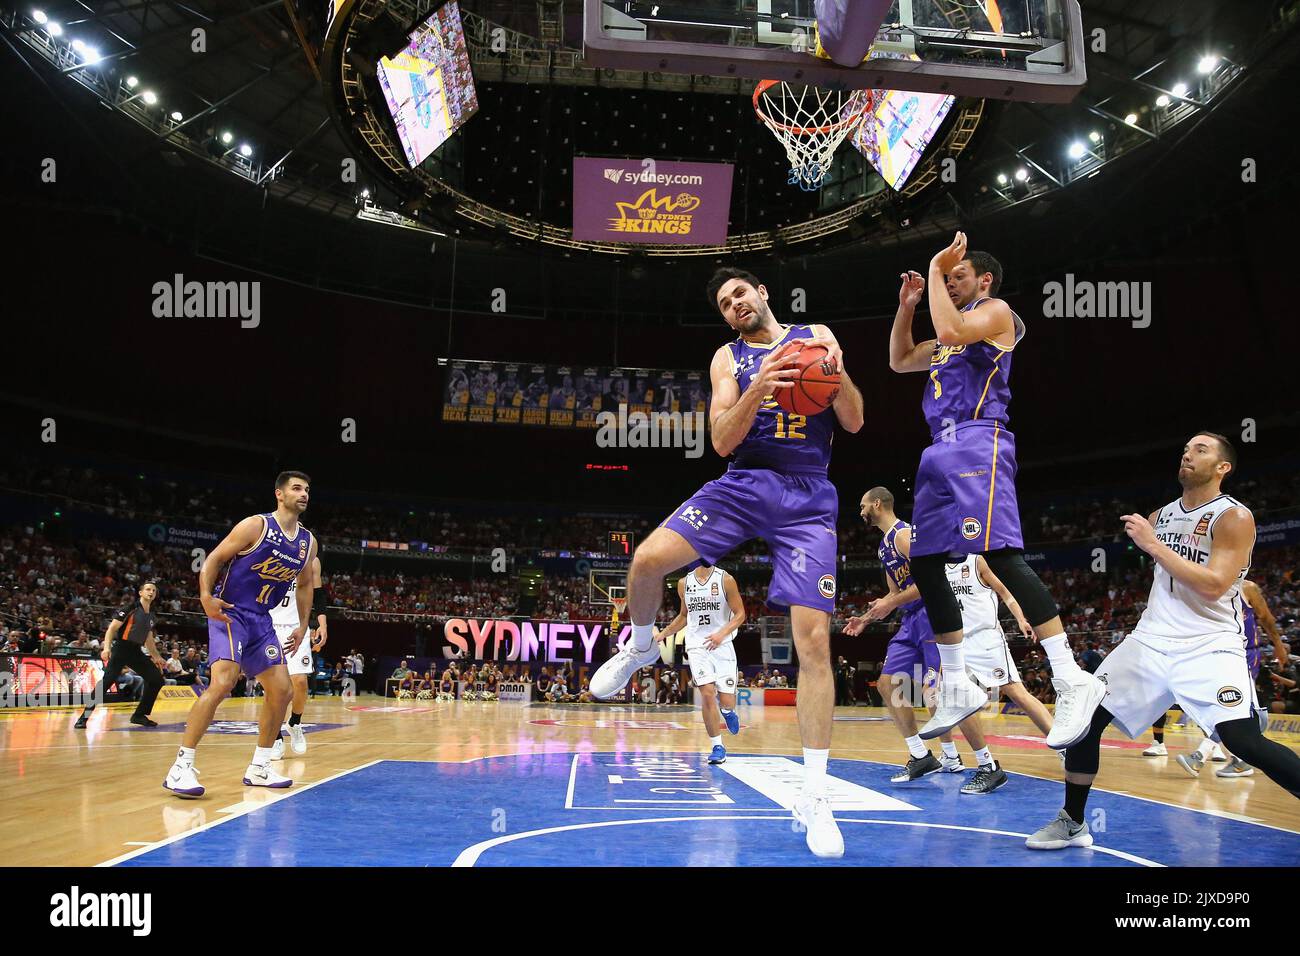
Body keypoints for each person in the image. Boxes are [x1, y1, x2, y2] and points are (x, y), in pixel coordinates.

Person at [588, 266, 864, 858]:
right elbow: (720, 440)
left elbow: (855, 420)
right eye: (723, 302)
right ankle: (639, 645)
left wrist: (836, 375)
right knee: (646, 561)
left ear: (764, 293)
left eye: (740, 293)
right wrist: (761, 384)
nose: (733, 304)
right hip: (743, 484)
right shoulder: (727, 359)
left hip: (809, 495)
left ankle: (815, 795)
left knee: (814, 643)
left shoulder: (816, 336)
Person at [1027, 434, 1300, 851]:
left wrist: (1152, 544)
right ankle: (1073, 822)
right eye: (1186, 450)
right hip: (1150, 640)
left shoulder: (1234, 517)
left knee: (1243, 741)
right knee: (1084, 722)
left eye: (1201, 450)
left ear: (1224, 467)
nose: (1188, 455)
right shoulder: (1162, 514)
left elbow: (1214, 586)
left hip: (1210, 644)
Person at [887, 238, 1103, 748]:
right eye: (948, 275)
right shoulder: (947, 336)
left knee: (1000, 556)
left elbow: (950, 328)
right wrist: (906, 307)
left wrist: (934, 272)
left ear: (983, 280)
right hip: (938, 448)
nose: (950, 280)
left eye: (958, 275)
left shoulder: (995, 312)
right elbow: (899, 360)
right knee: (926, 560)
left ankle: (1071, 677)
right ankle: (958, 682)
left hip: (978, 441)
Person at [163, 471, 317, 797]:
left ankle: (260, 767)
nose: (303, 494)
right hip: (230, 611)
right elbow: (214, 558)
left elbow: (304, 585)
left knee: (282, 690)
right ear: (279, 493)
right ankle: (181, 767)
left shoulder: (307, 542)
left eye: (306, 489)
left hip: (262, 619)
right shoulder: (256, 526)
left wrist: (304, 624)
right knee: (223, 682)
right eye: (296, 488)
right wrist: (205, 596)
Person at [654, 564, 746, 764]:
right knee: (706, 693)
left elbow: (740, 614)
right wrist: (663, 634)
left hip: (723, 645)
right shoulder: (684, 583)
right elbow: (684, 616)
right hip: (697, 646)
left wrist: (721, 633)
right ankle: (717, 746)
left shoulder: (726, 579)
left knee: (727, 701)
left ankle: (728, 711)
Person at [74, 581, 167, 729]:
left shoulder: (151, 616)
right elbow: (111, 629)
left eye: (154, 590)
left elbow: (148, 639)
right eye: (148, 589)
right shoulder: (129, 609)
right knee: (106, 682)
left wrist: (157, 657)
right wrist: (106, 648)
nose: (151, 592)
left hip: (136, 651)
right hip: (121, 649)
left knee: (156, 680)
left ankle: (138, 715)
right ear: (141, 593)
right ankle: (83, 718)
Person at [268, 555, 328, 758]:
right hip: (270, 626)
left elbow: (318, 594)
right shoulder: (271, 553)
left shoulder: (312, 561)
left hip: (298, 627)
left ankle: (294, 722)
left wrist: (322, 624)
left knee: (300, 682)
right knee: (275, 687)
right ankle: (275, 736)